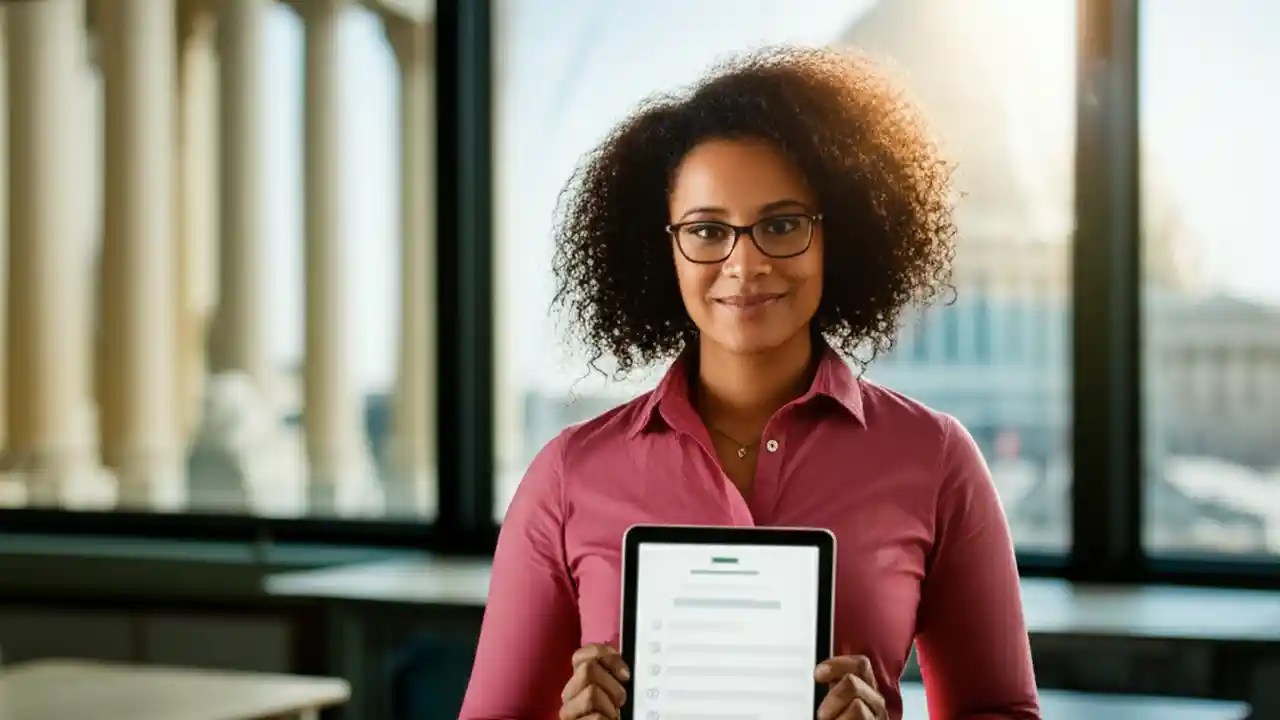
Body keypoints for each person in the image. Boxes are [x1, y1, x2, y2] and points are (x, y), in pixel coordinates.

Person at [460, 46, 1040, 720]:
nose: (746, 263)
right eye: (707, 231)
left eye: (783, 225)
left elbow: (1002, 710)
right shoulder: (569, 475)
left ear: (838, 235)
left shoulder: (934, 457)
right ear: (664, 249)